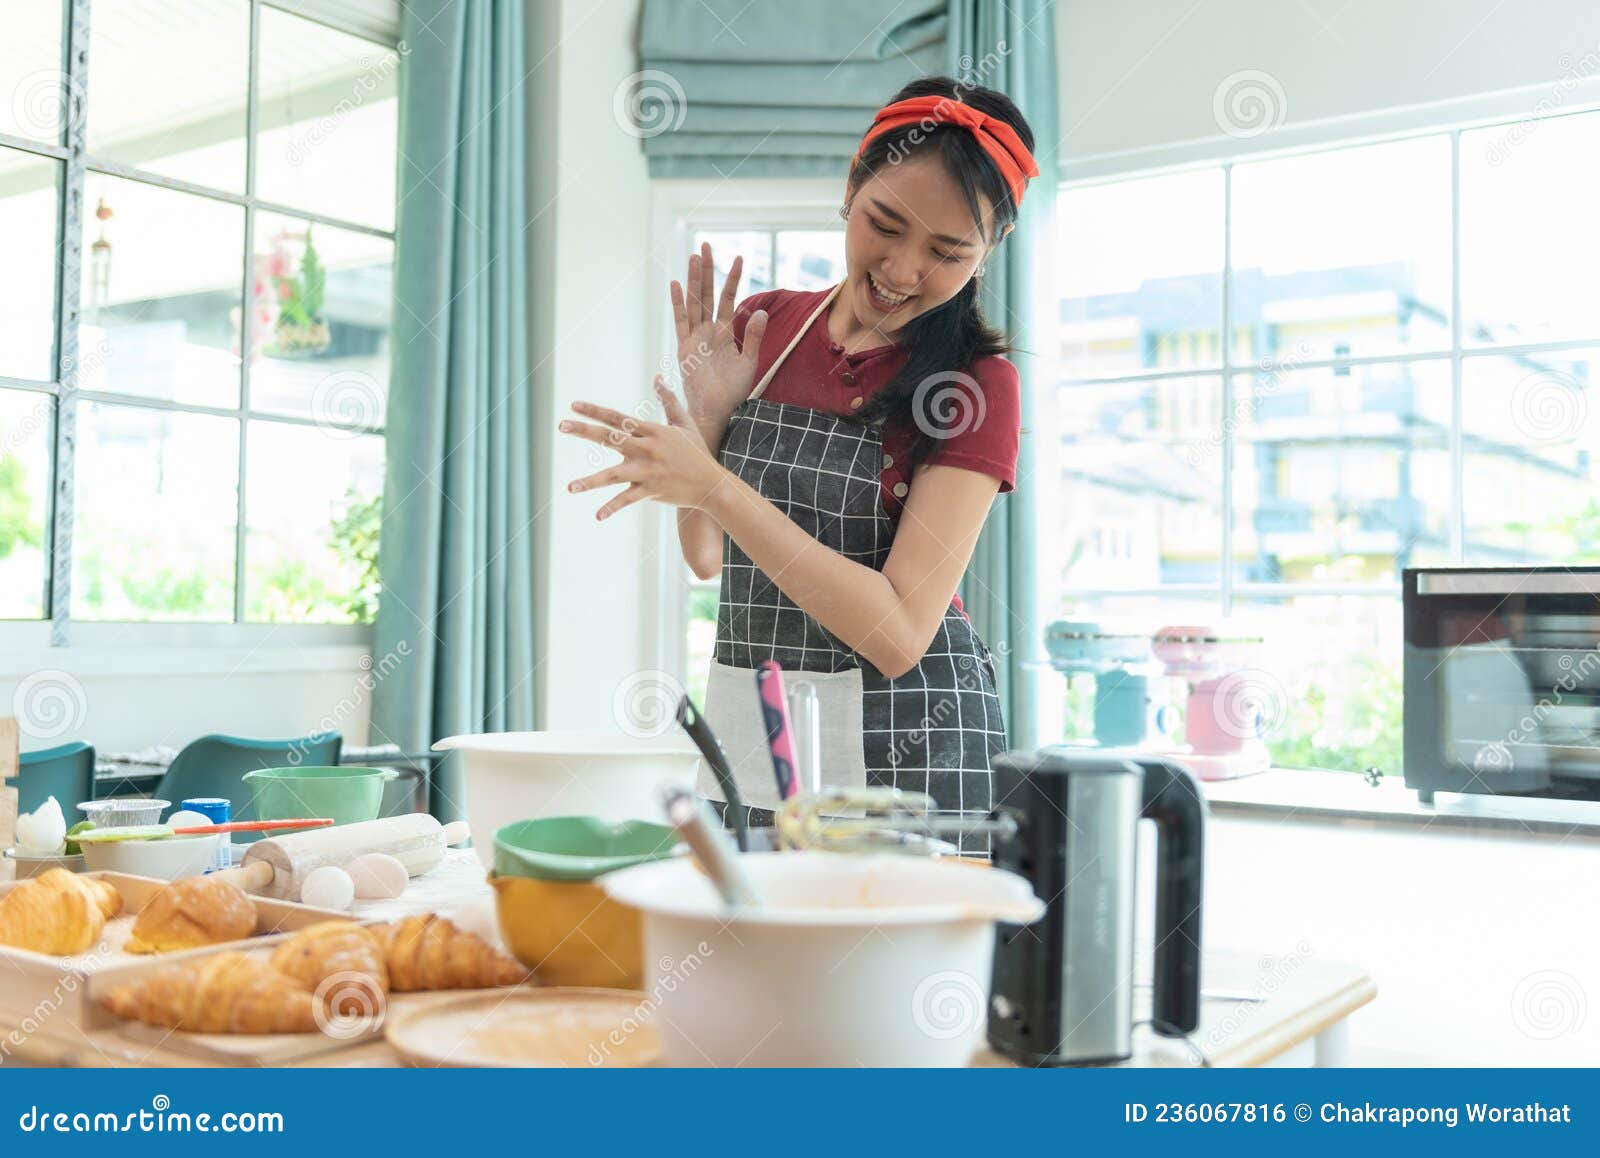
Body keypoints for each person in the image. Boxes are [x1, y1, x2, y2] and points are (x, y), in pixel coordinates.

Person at [559, 76, 1038, 852]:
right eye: (885, 223)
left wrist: (711, 479)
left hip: (912, 734)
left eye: (948, 252)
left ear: (989, 251)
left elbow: (898, 633)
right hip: (768, 717)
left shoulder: (977, 388)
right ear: (851, 186)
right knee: (755, 956)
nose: (905, 270)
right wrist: (710, 420)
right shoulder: (767, 328)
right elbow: (708, 555)